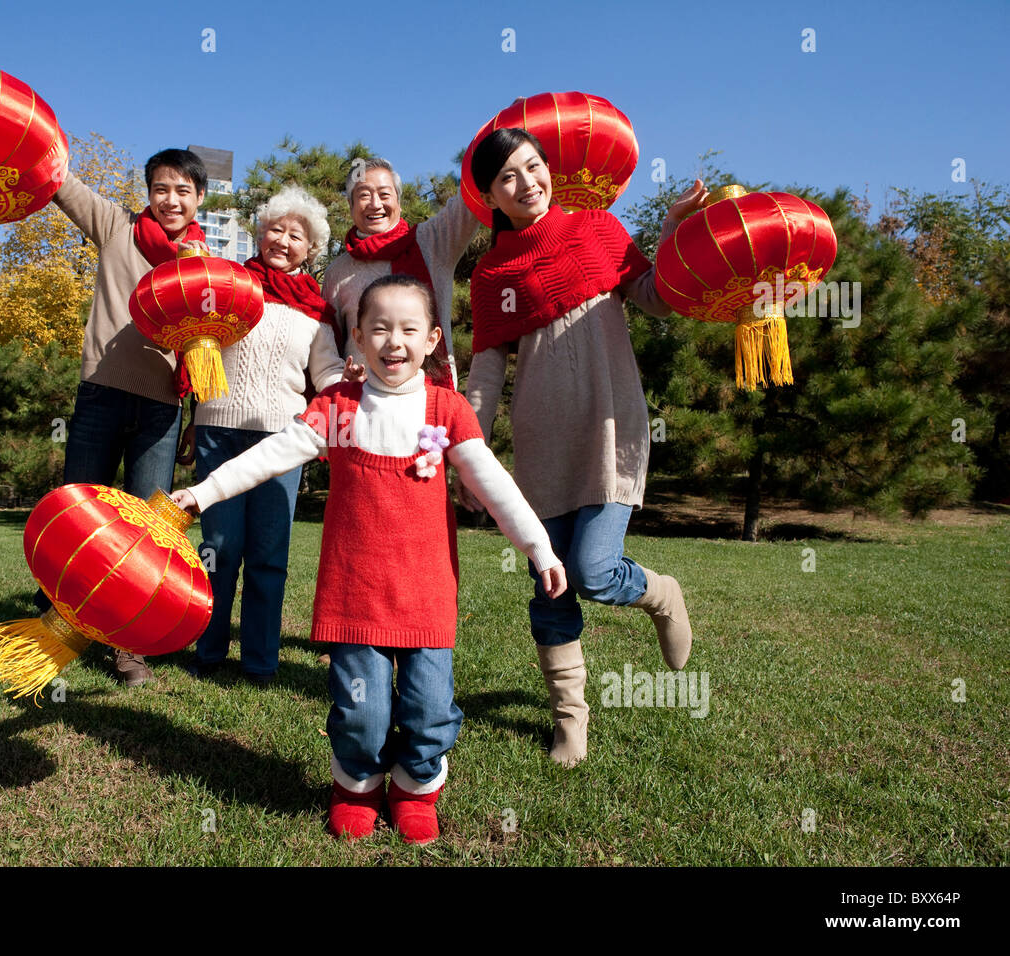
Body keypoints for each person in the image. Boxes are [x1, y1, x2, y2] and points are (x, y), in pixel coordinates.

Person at [171, 274, 565, 844]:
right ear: (357, 337)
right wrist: (204, 492)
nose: (393, 341)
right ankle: (356, 783)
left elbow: (493, 484)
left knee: (429, 709)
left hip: (426, 596)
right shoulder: (338, 407)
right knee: (362, 711)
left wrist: (538, 546)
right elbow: (275, 452)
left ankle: (414, 786)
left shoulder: (447, 410)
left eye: (408, 328)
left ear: (432, 340)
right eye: (378, 328)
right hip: (355, 592)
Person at [462, 127, 706, 767]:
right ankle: (570, 721)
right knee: (552, 585)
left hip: (610, 427)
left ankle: (660, 592)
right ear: (491, 194)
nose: (527, 183)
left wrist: (676, 235)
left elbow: (654, 300)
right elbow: (487, 370)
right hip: (543, 440)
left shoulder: (598, 229)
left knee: (596, 572)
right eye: (508, 177)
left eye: (534, 166)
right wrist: (472, 448)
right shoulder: (491, 274)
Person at [36, 147, 209, 687]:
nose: (171, 199)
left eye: (183, 190)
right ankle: (58, 623)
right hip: (102, 393)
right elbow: (61, 182)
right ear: (148, 192)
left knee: (145, 526)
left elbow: (211, 348)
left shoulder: (203, 265)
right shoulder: (116, 226)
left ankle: (126, 643)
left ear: (199, 198)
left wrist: (196, 417)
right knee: (77, 511)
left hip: (163, 405)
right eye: (162, 188)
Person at [182, 186, 351, 685]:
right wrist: (194, 411)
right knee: (218, 549)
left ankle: (259, 662)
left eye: (295, 235)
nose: (283, 239)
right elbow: (198, 345)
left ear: (310, 249)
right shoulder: (229, 285)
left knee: (268, 556)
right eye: (276, 229)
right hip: (219, 431)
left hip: (283, 442)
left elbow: (327, 373)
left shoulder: (317, 312)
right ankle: (207, 652)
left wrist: (351, 384)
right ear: (260, 233)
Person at [321, 158, 480, 386]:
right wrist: (340, 380)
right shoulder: (337, 272)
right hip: (364, 403)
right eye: (364, 195)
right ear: (351, 206)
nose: (375, 204)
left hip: (430, 398)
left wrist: (494, 144)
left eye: (384, 195)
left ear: (399, 202)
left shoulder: (433, 243)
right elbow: (328, 350)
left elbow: (468, 202)